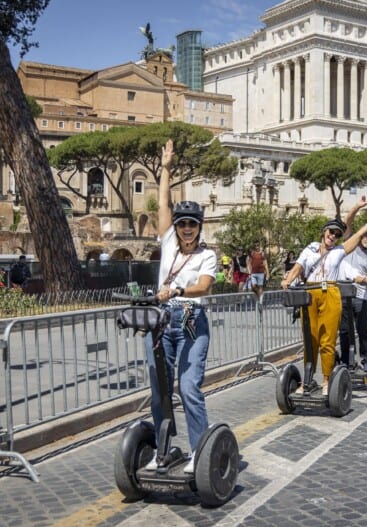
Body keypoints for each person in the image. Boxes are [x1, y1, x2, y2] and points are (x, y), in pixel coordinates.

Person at [144, 139, 216, 474]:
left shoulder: (207, 255)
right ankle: (163, 447)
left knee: (188, 387)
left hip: (190, 320)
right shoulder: (169, 242)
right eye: (182, 223)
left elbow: (203, 286)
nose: (186, 228)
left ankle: (199, 450)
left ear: (200, 227)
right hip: (162, 322)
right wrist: (166, 168)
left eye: (192, 224)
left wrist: (175, 290)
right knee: (159, 388)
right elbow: (163, 203)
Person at [280, 203, 367, 396]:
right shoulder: (310, 249)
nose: (333, 236)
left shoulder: (339, 251)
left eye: (337, 234)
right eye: (331, 232)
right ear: (324, 231)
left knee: (327, 341)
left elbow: (359, 234)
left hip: (330, 293)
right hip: (309, 294)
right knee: (310, 340)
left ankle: (327, 380)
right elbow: (298, 268)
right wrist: (288, 280)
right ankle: (308, 381)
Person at [338, 223, 367, 371]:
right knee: (344, 330)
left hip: (360, 297)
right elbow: (348, 221)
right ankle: (346, 359)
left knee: (362, 329)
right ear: (362, 235)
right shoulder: (351, 245)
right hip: (343, 294)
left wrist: (356, 278)